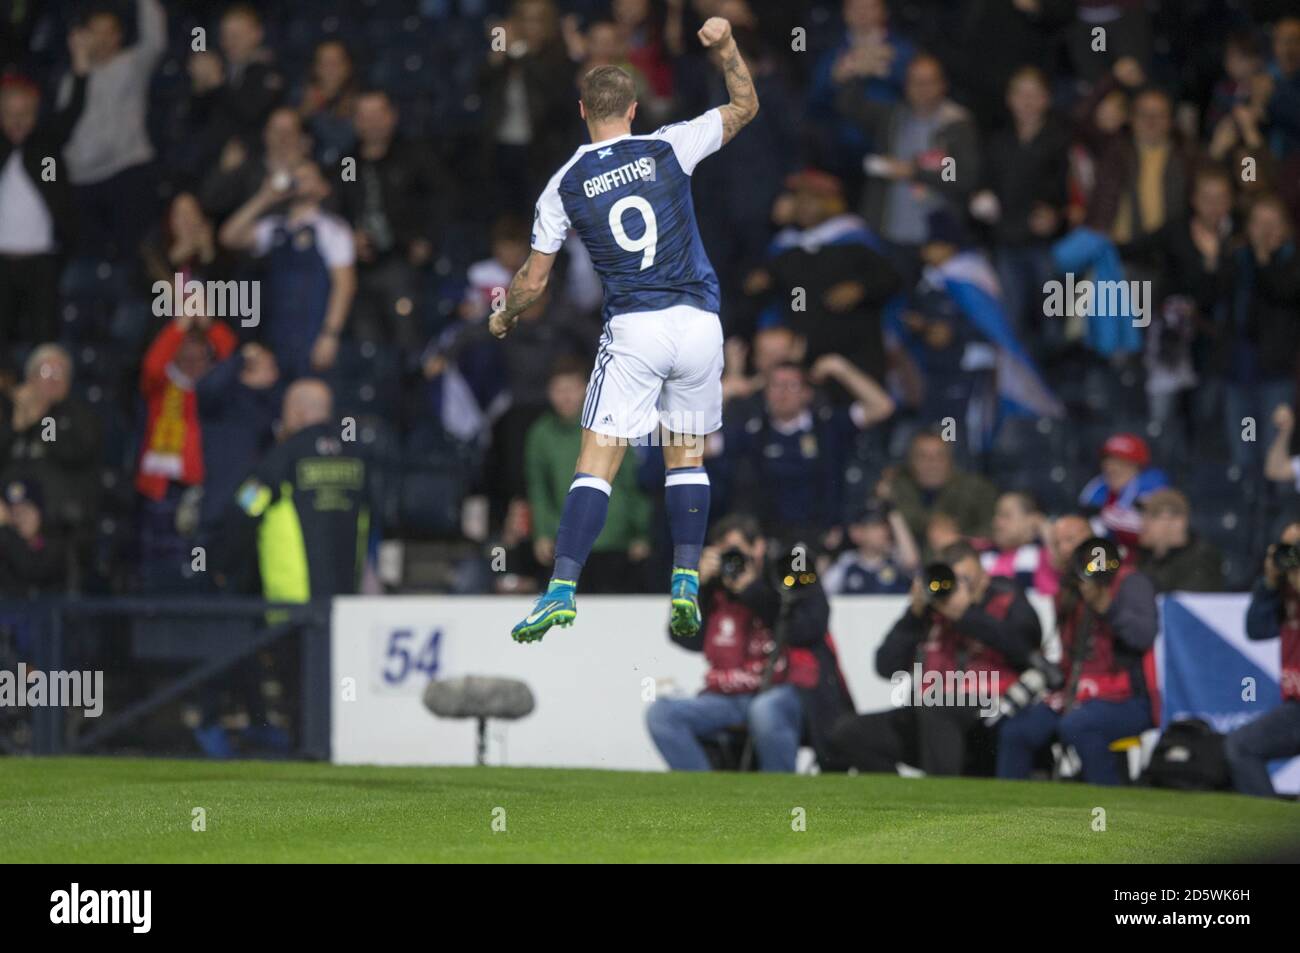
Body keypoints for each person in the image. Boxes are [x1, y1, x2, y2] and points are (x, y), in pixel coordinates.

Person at [490, 16, 759, 643]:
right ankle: (687, 578)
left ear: (584, 110)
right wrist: (724, 47)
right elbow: (745, 105)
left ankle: (560, 588)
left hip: (636, 328)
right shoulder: (669, 144)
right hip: (698, 324)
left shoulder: (564, 183)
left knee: (595, 463)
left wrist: (503, 316)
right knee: (686, 457)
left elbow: (533, 282)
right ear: (634, 108)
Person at [645, 514, 853, 771]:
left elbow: (808, 629)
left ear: (759, 547)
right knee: (662, 714)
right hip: (727, 697)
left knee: (764, 710)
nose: (731, 560)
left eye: (736, 551)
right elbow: (684, 638)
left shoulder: (788, 573)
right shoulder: (715, 588)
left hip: (787, 693)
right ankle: (706, 798)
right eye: (723, 553)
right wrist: (696, 587)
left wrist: (751, 590)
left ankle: (776, 796)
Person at [827, 540, 1042, 776]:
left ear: (984, 578)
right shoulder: (931, 614)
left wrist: (966, 615)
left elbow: (1024, 648)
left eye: (966, 581)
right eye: (951, 580)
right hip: (929, 716)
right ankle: (896, 802)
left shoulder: (1007, 601)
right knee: (850, 732)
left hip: (989, 717)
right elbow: (886, 666)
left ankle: (943, 802)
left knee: (937, 704)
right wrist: (914, 614)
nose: (957, 589)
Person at [997, 537, 1158, 786]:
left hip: (1129, 698)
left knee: (1079, 724)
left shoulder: (1131, 582)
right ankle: (1009, 810)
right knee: (1017, 731)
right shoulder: (1071, 589)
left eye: (1072, 539)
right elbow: (1068, 656)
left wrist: (1106, 605)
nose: (1066, 547)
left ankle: (1109, 803)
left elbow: (1143, 636)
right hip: (1075, 691)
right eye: (1061, 540)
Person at [219, 159, 357, 380]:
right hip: (277, 333)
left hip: (314, 330)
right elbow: (229, 237)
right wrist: (264, 197)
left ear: (323, 188)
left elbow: (345, 284)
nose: (300, 181)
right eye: (296, 176)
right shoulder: (274, 227)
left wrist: (330, 334)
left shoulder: (333, 229)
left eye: (308, 177)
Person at [524, 356, 651, 593]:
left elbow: (632, 482)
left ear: (585, 389)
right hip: (565, 543)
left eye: (571, 388)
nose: (565, 397)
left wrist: (641, 532)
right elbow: (538, 490)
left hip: (613, 540)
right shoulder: (540, 434)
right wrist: (542, 533)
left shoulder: (609, 425)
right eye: (558, 390)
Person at [0, 35, 88, 349]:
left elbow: (72, 111)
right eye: (10, 113)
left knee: (44, 340)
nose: (18, 121)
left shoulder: (46, 149)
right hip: (2, 264)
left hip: (41, 263)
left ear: (36, 113)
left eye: (25, 113)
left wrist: (80, 69)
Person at [1224, 521, 1300, 797]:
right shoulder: (1283, 588)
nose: (1292, 555)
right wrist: (1269, 582)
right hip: (1296, 708)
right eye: (1286, 547)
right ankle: (1271, 823)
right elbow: (1257, 629)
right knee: (1240, 746)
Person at [1077, 432, 1169, 548]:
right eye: (1108, 461)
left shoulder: (1153, 492)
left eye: (1121, 462)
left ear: (1138, 466)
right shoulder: (1097, 490)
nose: (1112, 468)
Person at [1135, 488, 1225, 593]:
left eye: (1152, 516)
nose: (1143, 524)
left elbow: (1184, 605)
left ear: (1178, 523)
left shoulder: (1201, 564)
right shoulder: (1146, 559)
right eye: (1143, 516)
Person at [822, 500, 917, 595]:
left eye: (885, 527)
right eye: (875, 527)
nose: (883, 532)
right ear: (857, 533)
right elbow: (824, 589)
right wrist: (827, 552)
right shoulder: (847, 562)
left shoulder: (894, 559)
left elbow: (912, 562)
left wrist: (894, 515)